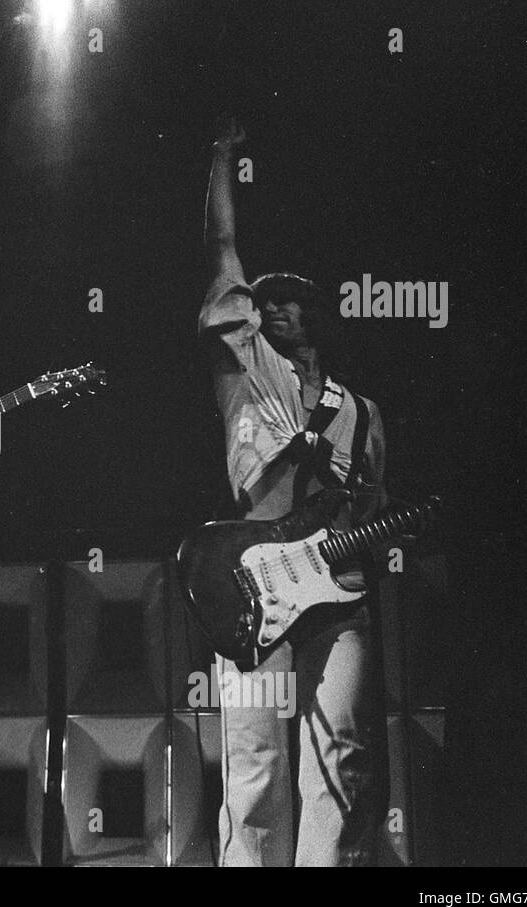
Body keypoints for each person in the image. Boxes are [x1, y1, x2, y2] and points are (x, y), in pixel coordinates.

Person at [198, 120, 389, 866]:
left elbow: (370, 512)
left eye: (289, 300)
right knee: (253, 763)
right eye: (262, 299)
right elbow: (219, 252)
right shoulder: (244, 375)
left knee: (339, 755)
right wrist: (221, 157)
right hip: (253, 589)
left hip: (336, 592)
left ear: (320, 317)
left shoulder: (363, 413)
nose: (270, 307)